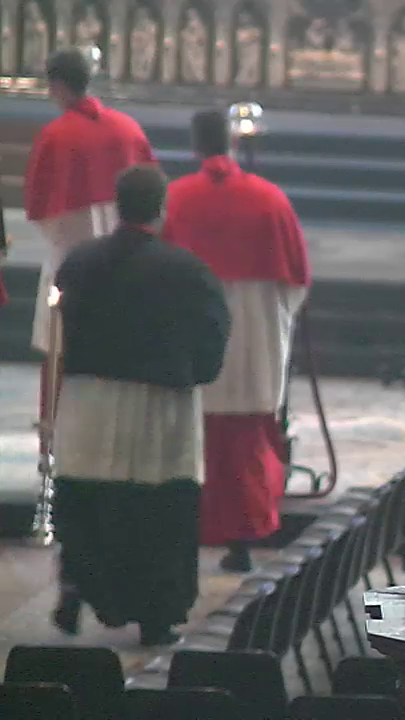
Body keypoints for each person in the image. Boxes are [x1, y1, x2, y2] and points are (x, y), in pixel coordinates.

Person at [50, 164, 230, 646]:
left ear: (117, 203)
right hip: (160, 408)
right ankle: (156, 617)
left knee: (86, 500)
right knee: (158, 513)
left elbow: (57, 328)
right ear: (161, 208)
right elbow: (212, 337)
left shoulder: (79, 262)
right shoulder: (187, 271)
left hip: (89, 404)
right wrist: (195, 374)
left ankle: (76, 589)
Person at [163, 110, 311, 573]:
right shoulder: (269, 199)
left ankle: (187, 535)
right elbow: (295, 282)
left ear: (194, 146)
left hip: (194, 337)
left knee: (194, 443)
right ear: (230, 142)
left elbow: (161, 277)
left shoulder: (176, 198)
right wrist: (275, 322)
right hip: (253, 337)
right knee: (247, 447)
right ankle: (242, 542)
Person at [24, 48, 155, 472]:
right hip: (128, 267)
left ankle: (55, 449)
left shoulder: (57, 135)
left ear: (58, 85)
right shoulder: (127, 129)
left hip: (70, 262)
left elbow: (40, 209)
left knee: (61, 357)